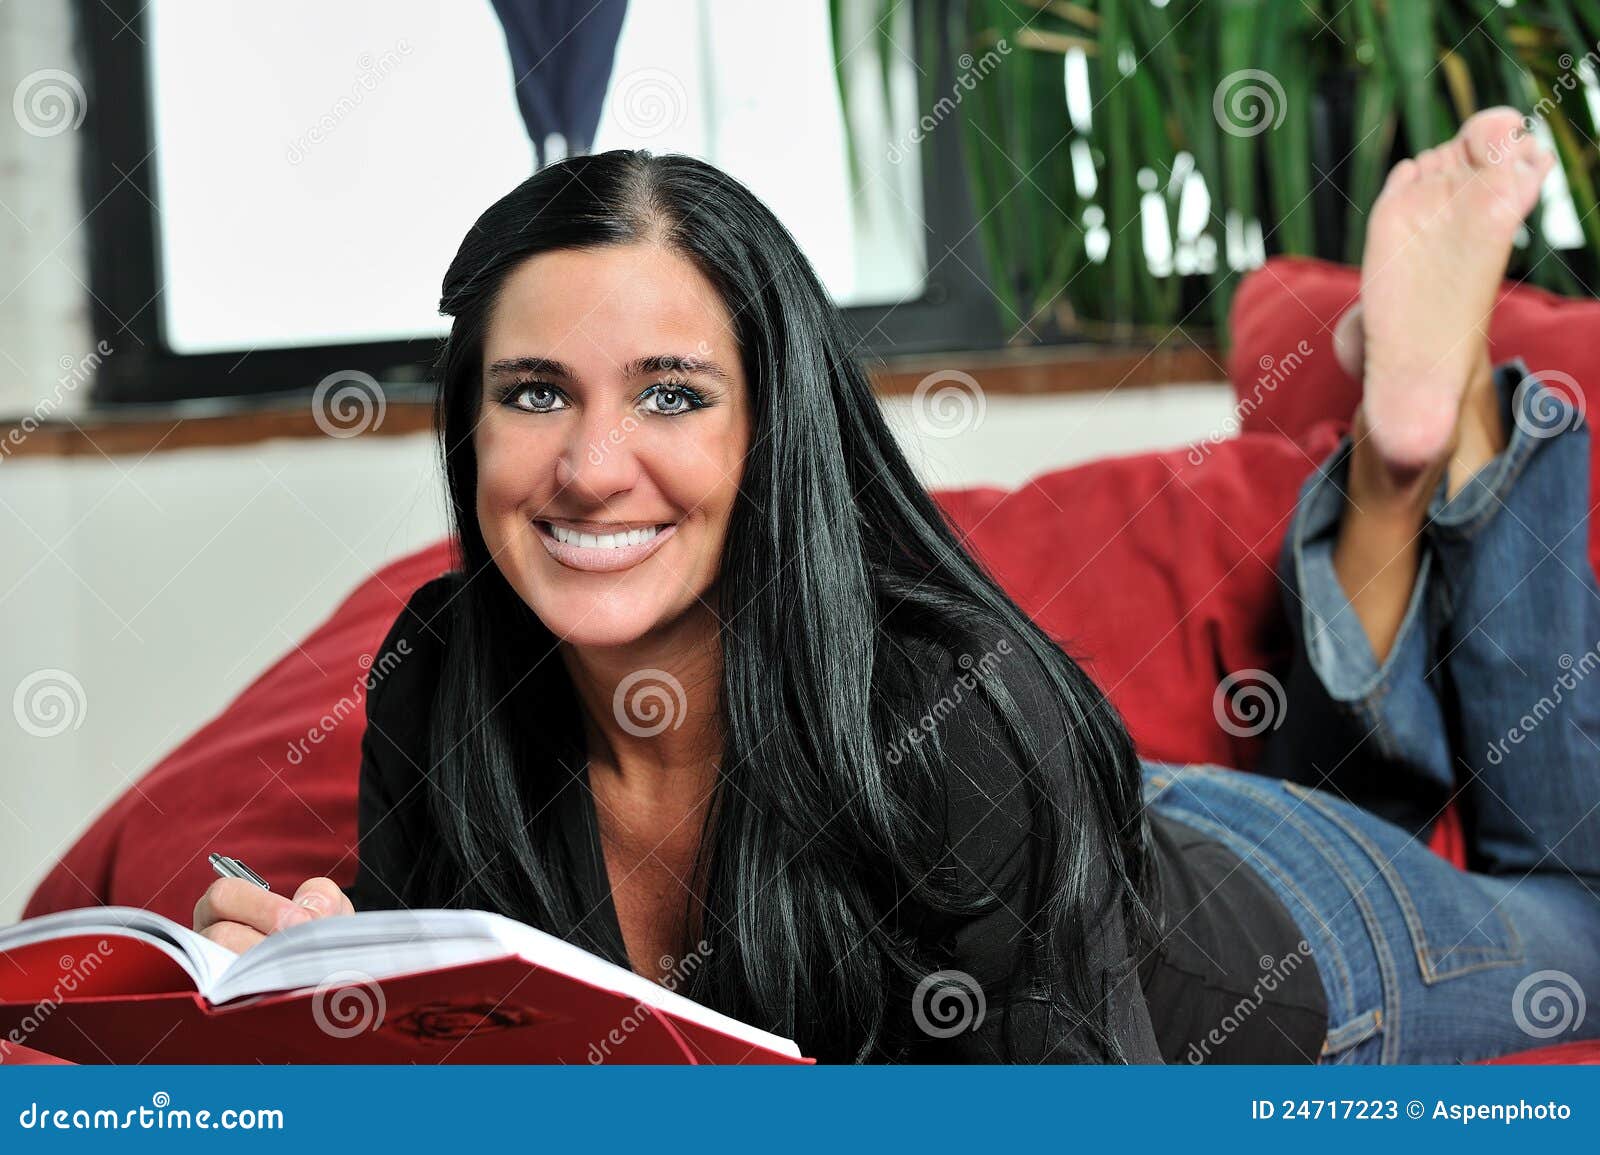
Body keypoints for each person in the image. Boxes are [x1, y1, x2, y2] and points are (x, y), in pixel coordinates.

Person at [194, 107, 1600, 1064]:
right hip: (1066, 834)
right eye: (535, 392)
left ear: (773, 428)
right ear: (470, 425)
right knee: (1333, 773)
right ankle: (1395, 466)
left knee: (1571, 910)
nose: (590, 464)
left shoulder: (955, 712)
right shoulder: (436, 670)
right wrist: (344, 998)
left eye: (672, 395)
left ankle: (1434, 446)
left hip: (1267, 915)